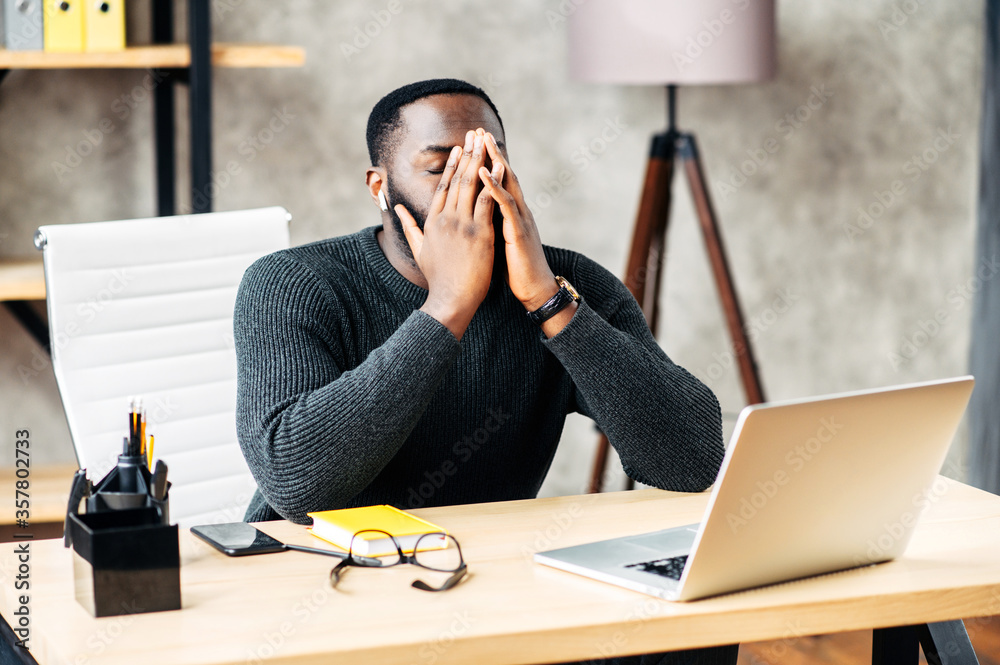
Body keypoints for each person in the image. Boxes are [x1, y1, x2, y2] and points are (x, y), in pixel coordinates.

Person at [234, 77, 735, 665]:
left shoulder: (568, 285)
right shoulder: (292, 285)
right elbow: (296, 484)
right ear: (380, 186)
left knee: (686, 638)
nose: (471, 184)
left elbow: (692, 460)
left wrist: (548, 303)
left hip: (489, 580)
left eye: (488, 161)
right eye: (439, 167)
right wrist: (447, 305)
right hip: (324, 589)